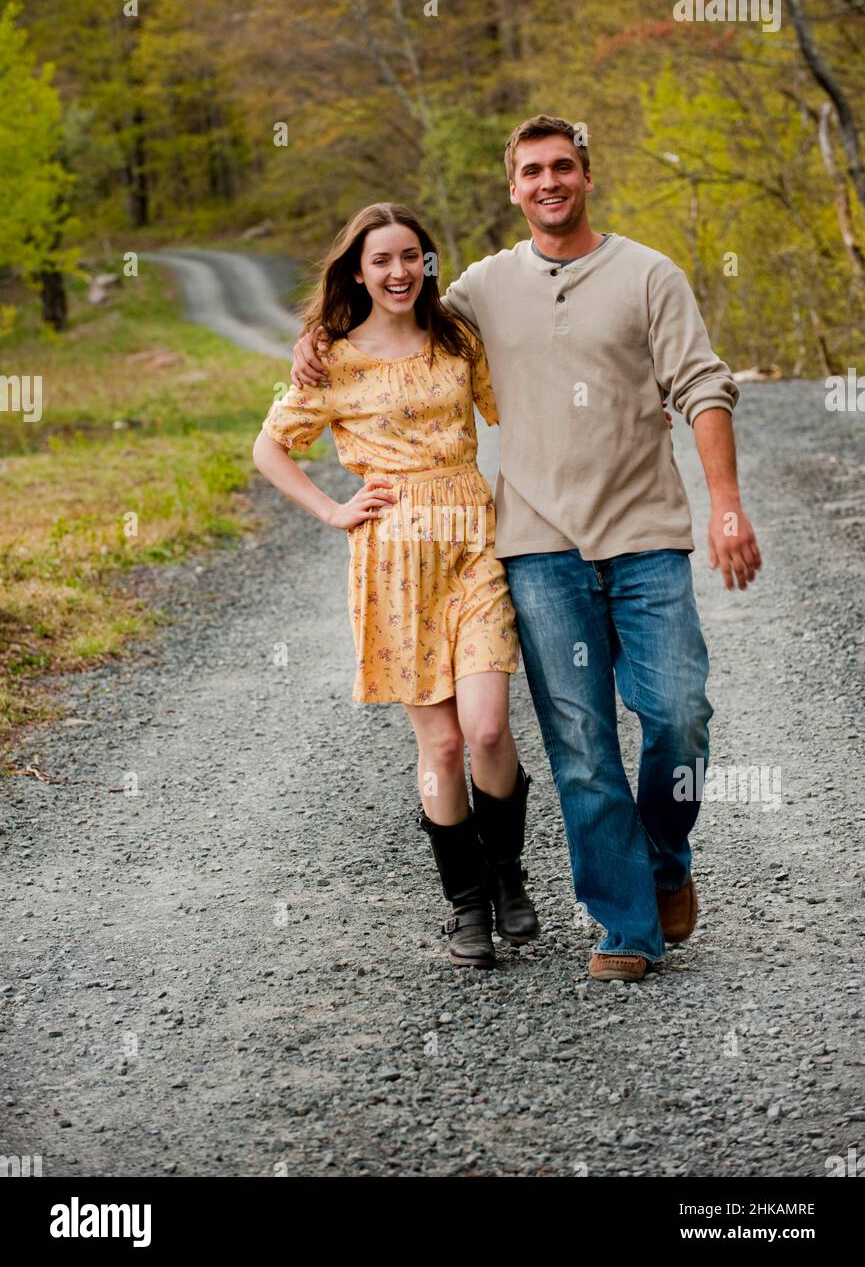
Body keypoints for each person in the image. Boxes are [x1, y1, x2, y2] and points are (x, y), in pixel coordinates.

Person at [291, 115, 762, 982]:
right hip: (538, 549)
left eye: (563, 167)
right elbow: (396, 319)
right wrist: (319, 338)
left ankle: (663, 863)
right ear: (512, 189)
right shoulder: (480, 290)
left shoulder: (648, 274)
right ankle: (623, 927)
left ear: (586, 176)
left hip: (645, 536)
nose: (548, 182)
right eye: (531, 171)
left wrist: (725, 506)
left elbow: (702, 383)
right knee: (580, 744)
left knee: (678, 719)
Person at [252, 201, 541, 971]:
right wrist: (335, 511)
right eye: (380, 260)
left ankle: (508, 872)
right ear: (357, 270)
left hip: (472, 545)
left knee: (485, 729)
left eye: (410, 255)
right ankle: (466, 907)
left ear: (426, 262)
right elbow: (269, 448)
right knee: (441, 745)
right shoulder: (332, 361)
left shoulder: (456, 338)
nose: (397, 271)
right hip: (392, 564)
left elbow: (516, 406)